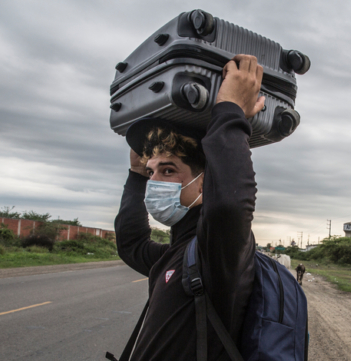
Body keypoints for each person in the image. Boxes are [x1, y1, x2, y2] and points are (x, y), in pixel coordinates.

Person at [114, 54, 265, 361]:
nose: (154, 181)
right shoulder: (180, 253)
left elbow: (229, 206)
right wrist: (134, 175)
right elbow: (131, 244)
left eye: (168, 171)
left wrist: (230, 111)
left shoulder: (218, 253)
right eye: (151, 172)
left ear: (203, 182)